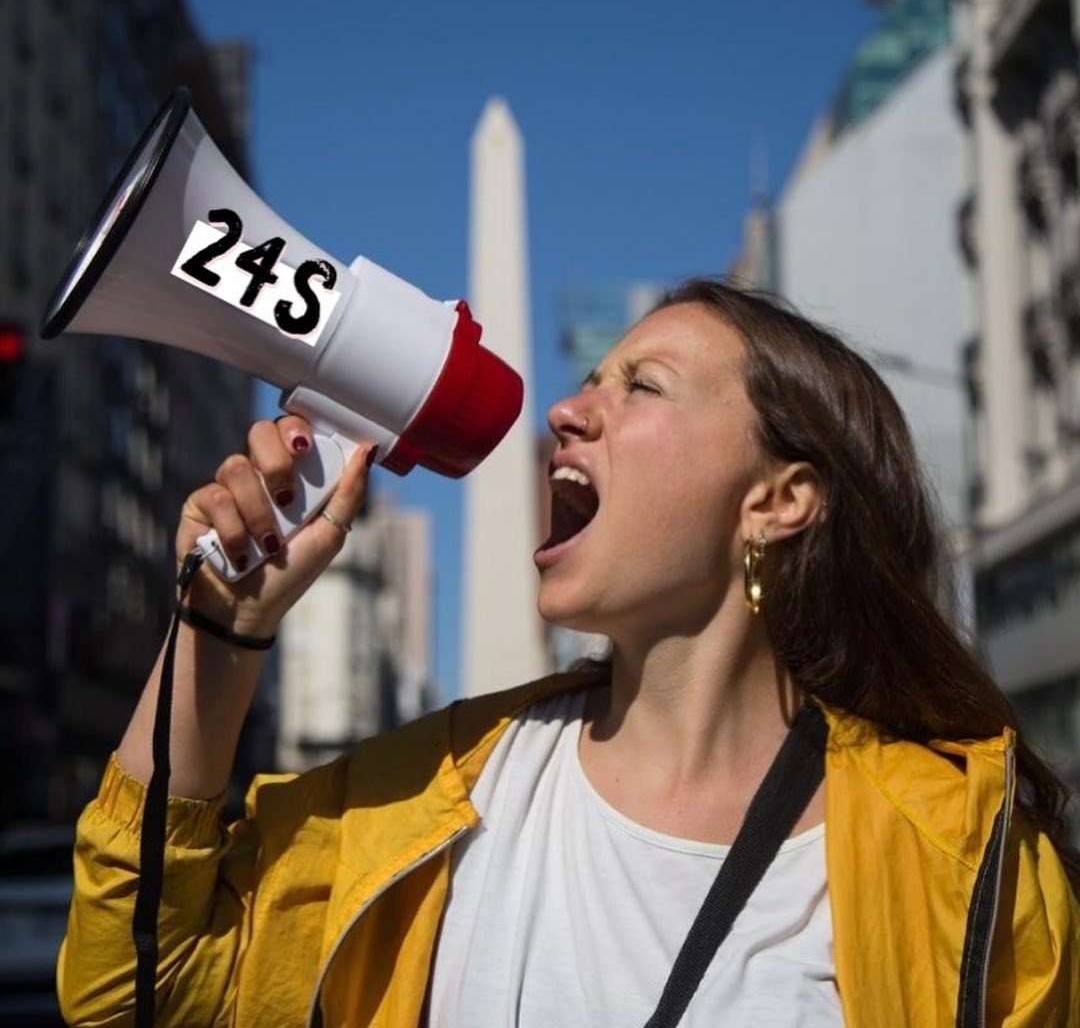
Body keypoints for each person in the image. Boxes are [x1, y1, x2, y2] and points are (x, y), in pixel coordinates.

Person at [59, 279, 1079, 1026]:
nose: (563, 410)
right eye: (589, 378)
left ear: (778, 501)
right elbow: (130, 991)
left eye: (643, 386)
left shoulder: (961, 855)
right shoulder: (435, 792)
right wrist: (222, 631)